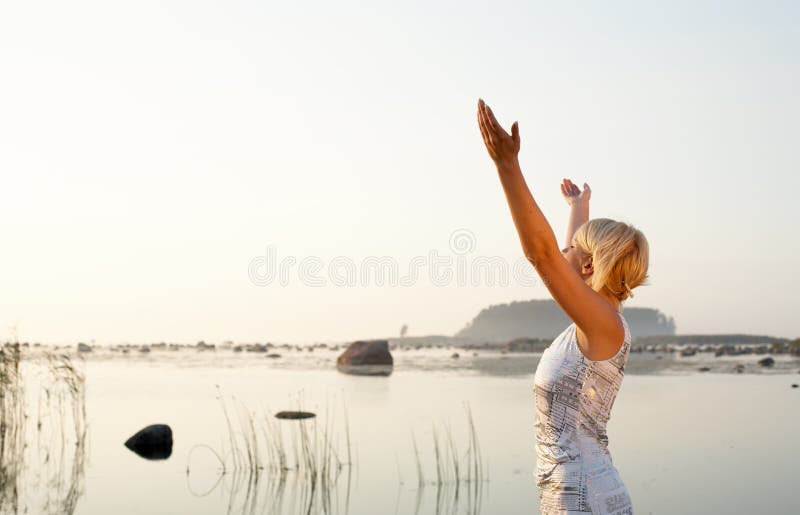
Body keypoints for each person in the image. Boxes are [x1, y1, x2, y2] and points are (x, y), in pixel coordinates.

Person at [476, 99, 648, 514]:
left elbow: (544, 256)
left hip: (585, 496)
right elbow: (567, 260)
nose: (562, 250)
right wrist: (578, 208)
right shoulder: (592, 322)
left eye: (570, 248)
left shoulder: (604, 325)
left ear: (588, 264)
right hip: (571, 491)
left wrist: (507, 166)